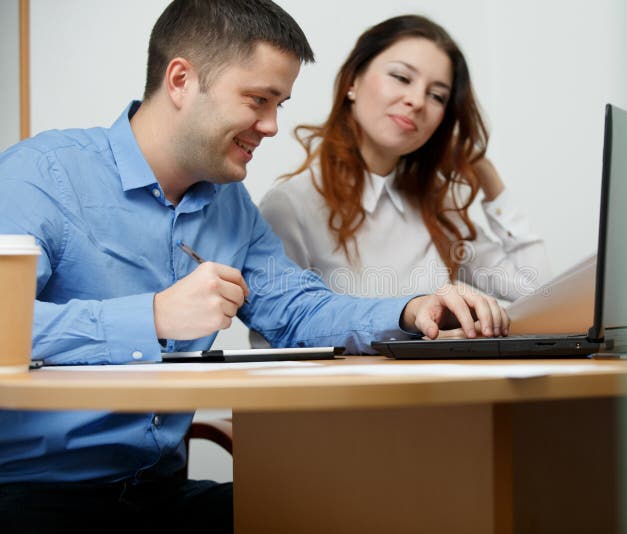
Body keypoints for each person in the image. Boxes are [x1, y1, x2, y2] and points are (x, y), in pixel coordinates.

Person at [0, 2, 509, 533]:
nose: (270, 126)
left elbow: (297, 309)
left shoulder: (229, 204)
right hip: (33, 495)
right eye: (257, 100)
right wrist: (150, 317)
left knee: (348, 515)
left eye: (279, 104)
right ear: (181, 80)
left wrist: (410, 310)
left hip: (159, 493)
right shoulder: (42, 175)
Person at [255, 15, 551, 334]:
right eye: (401, 77)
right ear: (352, 81)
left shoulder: (439, 211)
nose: (417, 101)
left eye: (437, 96)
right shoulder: (291, 206)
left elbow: (539, 294)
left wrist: (489, 179)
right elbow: (280, 332)